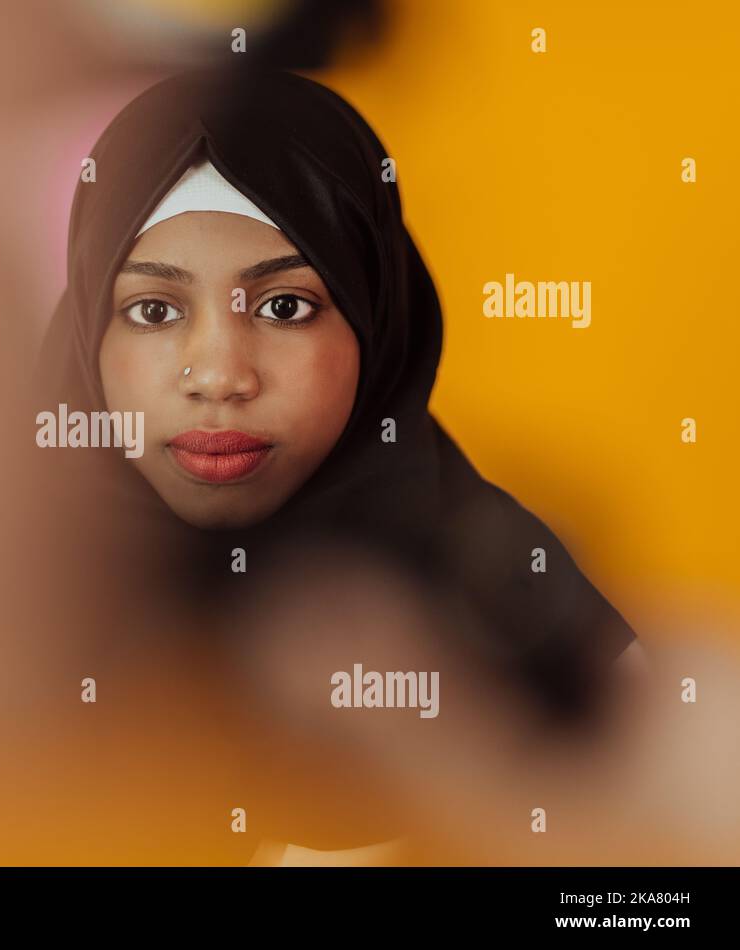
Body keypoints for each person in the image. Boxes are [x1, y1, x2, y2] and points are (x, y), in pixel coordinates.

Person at [32, 66, 642, 860]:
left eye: (286, 306)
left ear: (378, 320)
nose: (219, 376)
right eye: (154, 310)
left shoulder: (516, 611)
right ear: (86, 336)